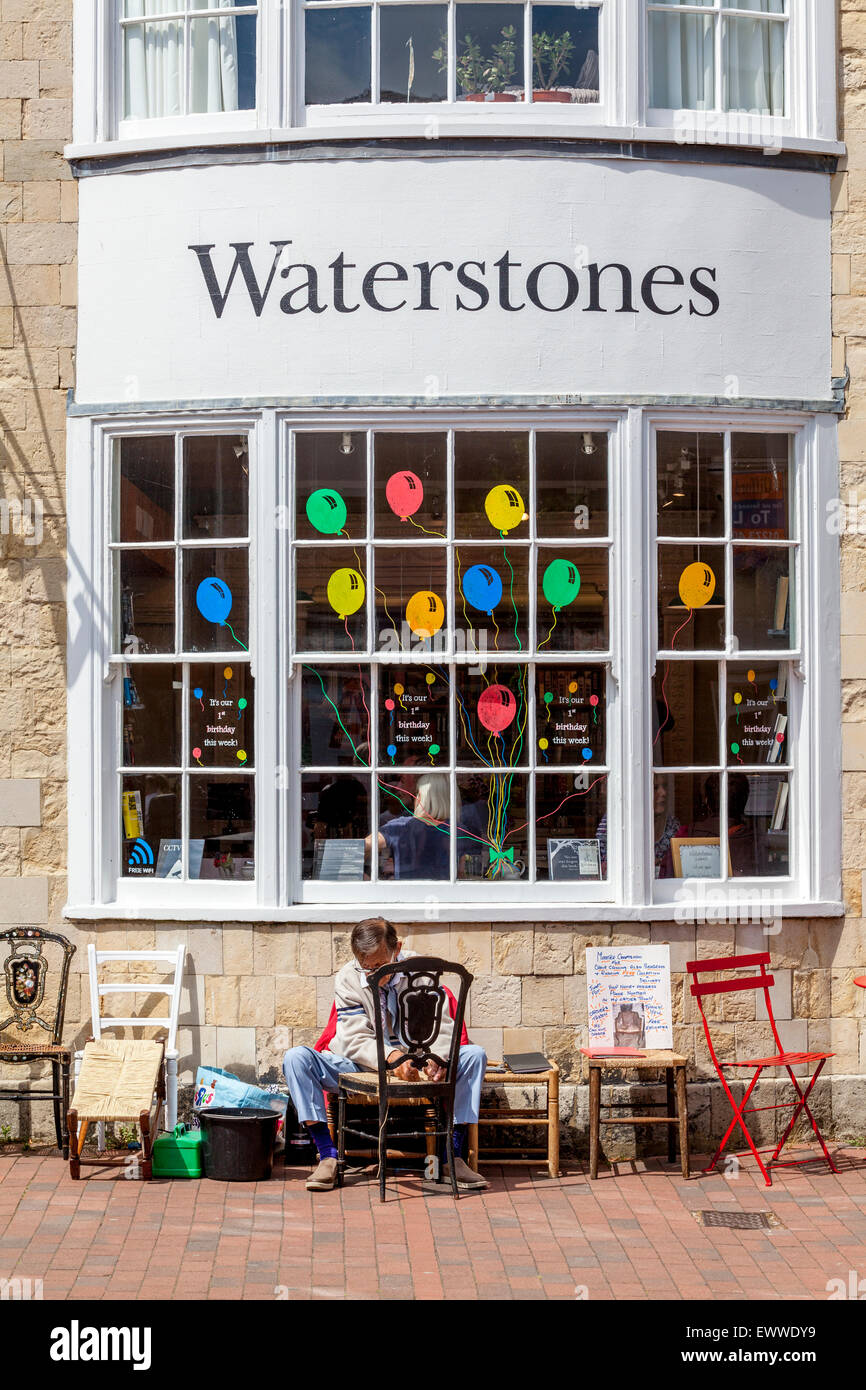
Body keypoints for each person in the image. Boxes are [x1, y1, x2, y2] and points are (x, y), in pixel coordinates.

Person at [282, 916, 488, 1192]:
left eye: (380, 966)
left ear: (397, 948)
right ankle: (328, 1156)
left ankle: (454, 1155)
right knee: (296, 1058)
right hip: (361, 1065)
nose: (373, 974)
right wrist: (392, 1060)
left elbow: (443, 1025)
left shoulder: (422, 971)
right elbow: (355, 1038)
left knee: (474, 1055)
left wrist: (437, 1059)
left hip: (418, 1062)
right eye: (366, 967)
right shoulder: (348, 977)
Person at [367, 773, 460, 880]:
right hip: (449, 895)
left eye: (416, 794)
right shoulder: (459, 830)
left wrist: (367, 880)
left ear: (421, 797)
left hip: (406, 894)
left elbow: (359, 848)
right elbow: (464, 871)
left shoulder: (401, 826)